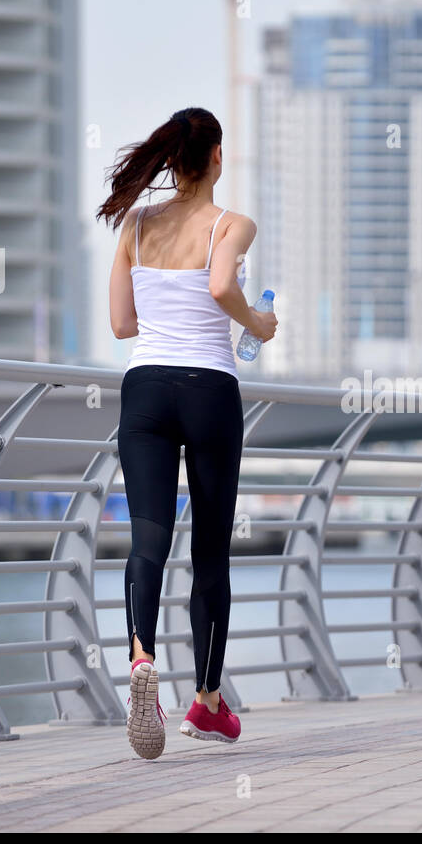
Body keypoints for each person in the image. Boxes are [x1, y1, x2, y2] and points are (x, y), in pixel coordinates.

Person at [97, 107, 277, 759]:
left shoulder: (135, 226)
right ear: (219, 158)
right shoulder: (232, 224)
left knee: (148, 537)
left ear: (171, 160)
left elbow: (121, 323)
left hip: (144, 387)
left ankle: (142, 656)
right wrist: (255, 322)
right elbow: (223, 282)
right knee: (209, 550)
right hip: (208, 388)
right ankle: (206, 702)